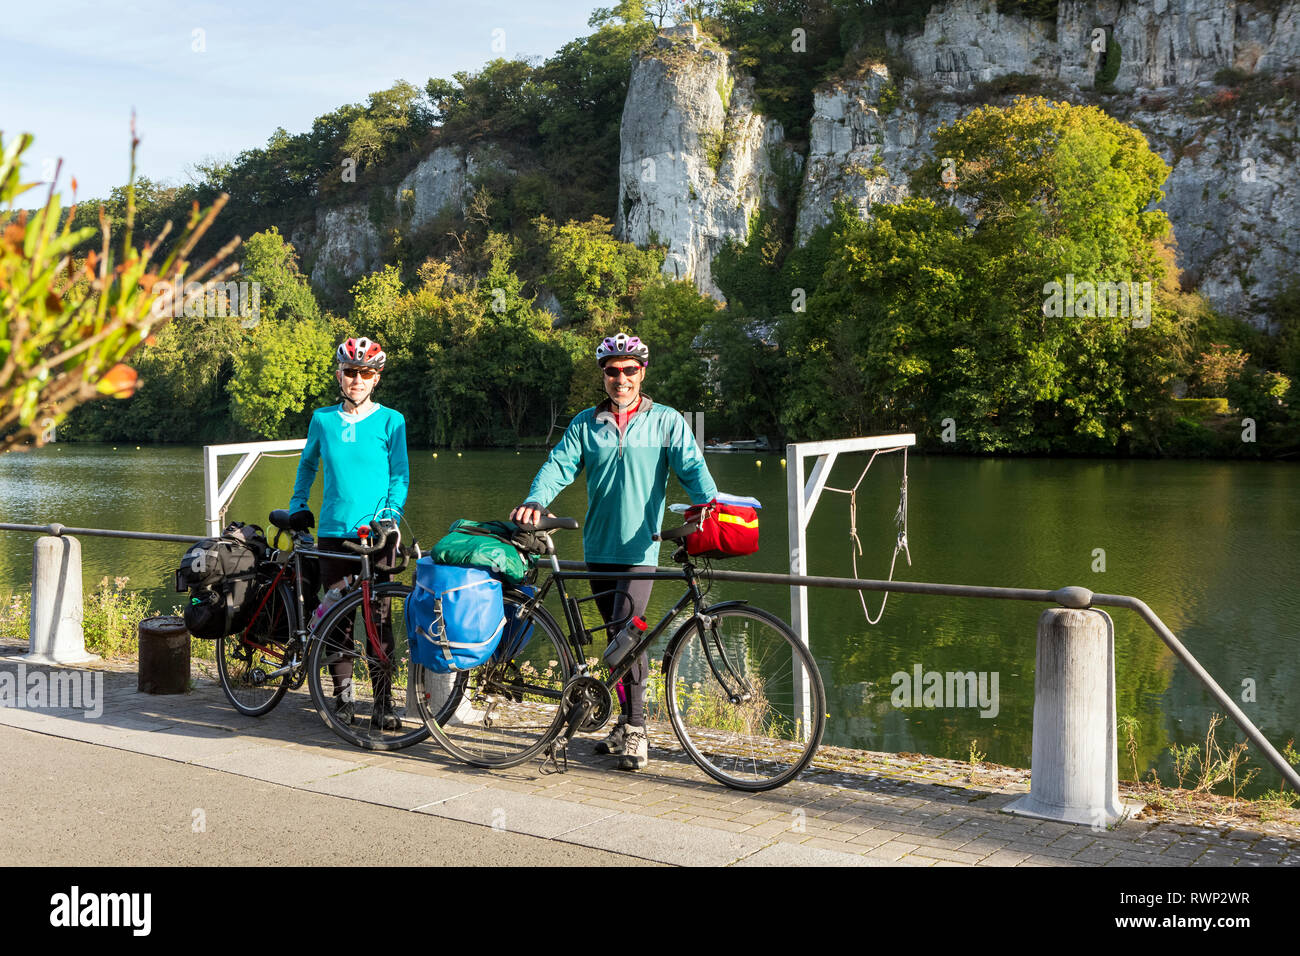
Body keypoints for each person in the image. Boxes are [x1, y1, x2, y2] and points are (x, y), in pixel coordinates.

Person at [511, 332, 717, 770]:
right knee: (613, 640)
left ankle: (638, 729)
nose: (620, 378)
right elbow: (557, 467)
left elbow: (693, 467)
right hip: (598, 547)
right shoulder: (586, 424)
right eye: (612, 371)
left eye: (629, 370)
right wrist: (535, 499)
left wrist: (710, 505)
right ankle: (622, 723)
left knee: (630, 637)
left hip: (640, 548)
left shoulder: (666, 421)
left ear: (642, 372)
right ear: (603, 375)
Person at [289, 336, 408, 729]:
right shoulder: (323, 419)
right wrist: (297, 505)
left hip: (377, 535)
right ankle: (342, 700)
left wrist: (389, 516)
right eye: (351, 372)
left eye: (365, 373)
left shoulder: (392, 420)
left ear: (376, 379)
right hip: (334, 532)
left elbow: (400, 476)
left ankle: (383, 704)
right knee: (337, 621)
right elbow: (307, 466)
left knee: (379, 621)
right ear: (340, 375)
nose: (357, 379)